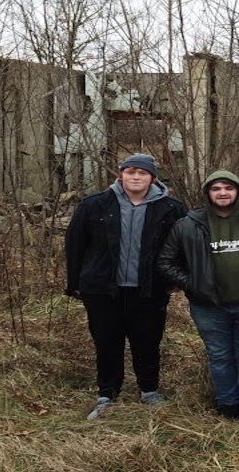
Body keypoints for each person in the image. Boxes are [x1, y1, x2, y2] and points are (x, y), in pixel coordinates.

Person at [157, 170, 239, 428]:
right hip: (209, 306)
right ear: (208, 193)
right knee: (220, 356)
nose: (223, 193)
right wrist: (193, 284)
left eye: (228, 187)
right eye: (216, 188)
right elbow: (166, 261)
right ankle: (228, 407)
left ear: (237, 191)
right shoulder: (188, 224)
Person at [65, 153, 187, 419]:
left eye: (142, 173)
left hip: (150, 289)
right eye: (130, 171)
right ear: (121, 174)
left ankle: (149, 390)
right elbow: (75, 245)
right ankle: (107, 393)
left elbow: (183, 247)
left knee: (148, 341)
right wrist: (75, 283)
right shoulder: (95, 205)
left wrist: (177, 279)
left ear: (152, 178)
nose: (135, 177)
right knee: (107, 341)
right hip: (102, 288)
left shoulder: (171, 208)